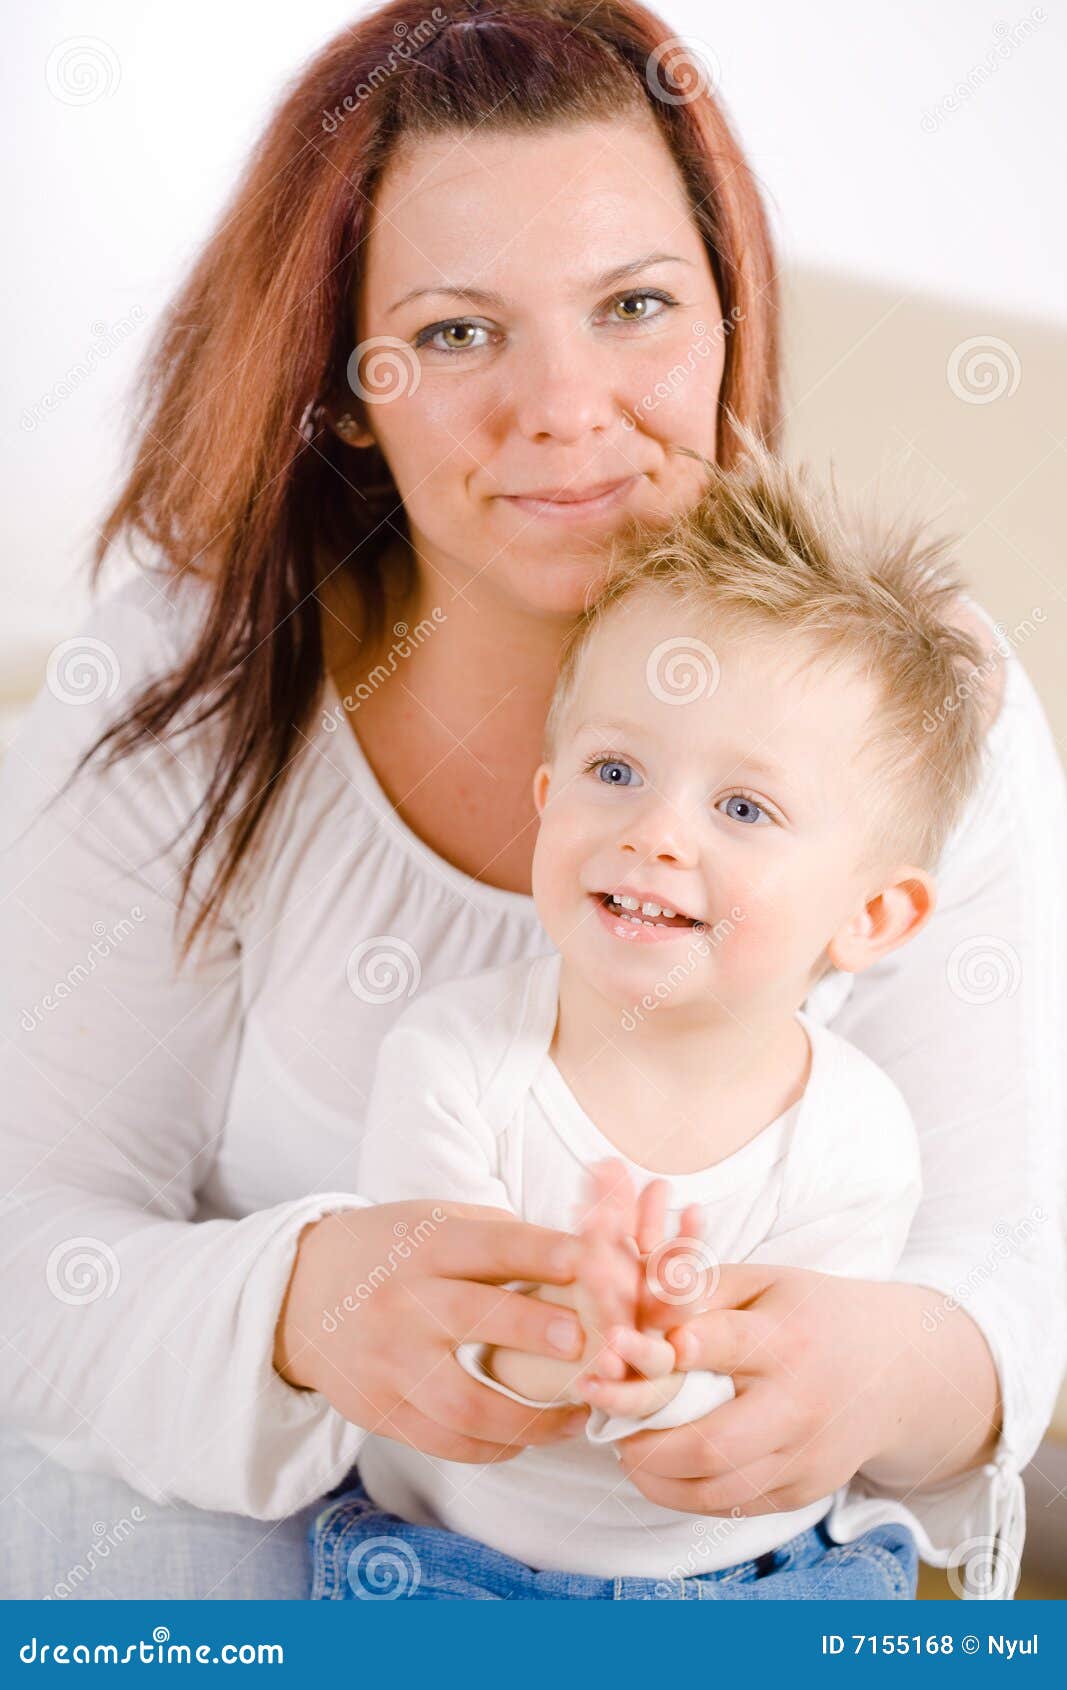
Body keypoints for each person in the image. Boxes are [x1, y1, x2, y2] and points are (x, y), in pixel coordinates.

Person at [1, 0, 1063, 1602]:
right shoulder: (190, 666)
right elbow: (28, 1247)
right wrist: (299, 1306)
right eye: (451, 331)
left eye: (634, 304)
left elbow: (1011, 1261)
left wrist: (886, 1373)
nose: (566, 408)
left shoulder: (922, 704)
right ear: (340, 387)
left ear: (725, 311)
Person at [309, 442, 996, 1600]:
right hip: (445, 1573)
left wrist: (662, 1373)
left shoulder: (854, 1133)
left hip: (758, 1578)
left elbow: (765, 1427)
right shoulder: (453, 1062)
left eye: (741, 805)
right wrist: (576, 1335)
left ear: (872, 912)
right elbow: (444, 1344)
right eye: (615, 770)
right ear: (546, 798)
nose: (656, 833)